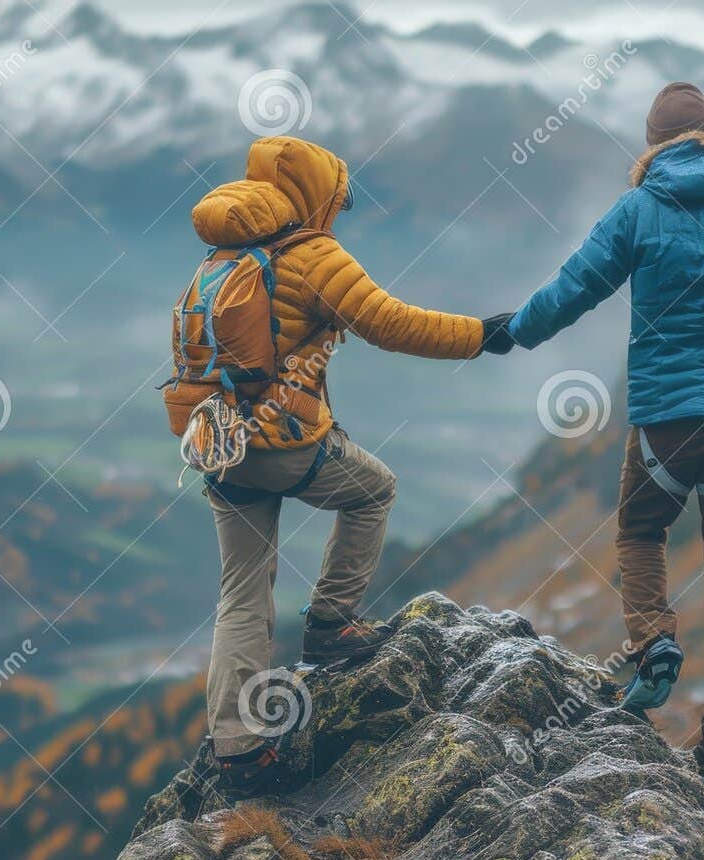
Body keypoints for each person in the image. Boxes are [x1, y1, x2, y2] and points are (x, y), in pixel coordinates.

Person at [492, 82, 704, 787]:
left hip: (665, 430)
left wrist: (513, 331)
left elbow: (574, 286)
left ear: (652, 147)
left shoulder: (638, 210)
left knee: (641, 532)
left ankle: (654, 640)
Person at [174, 135, 505, 780]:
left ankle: (237, 750)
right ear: (316, 192)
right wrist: (483, 335)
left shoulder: (222, 256)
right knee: (373, 490)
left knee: (241, 593)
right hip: (282, 441)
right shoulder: (313, 255)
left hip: (219, 442)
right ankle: (331, 623)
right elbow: (393, 322)